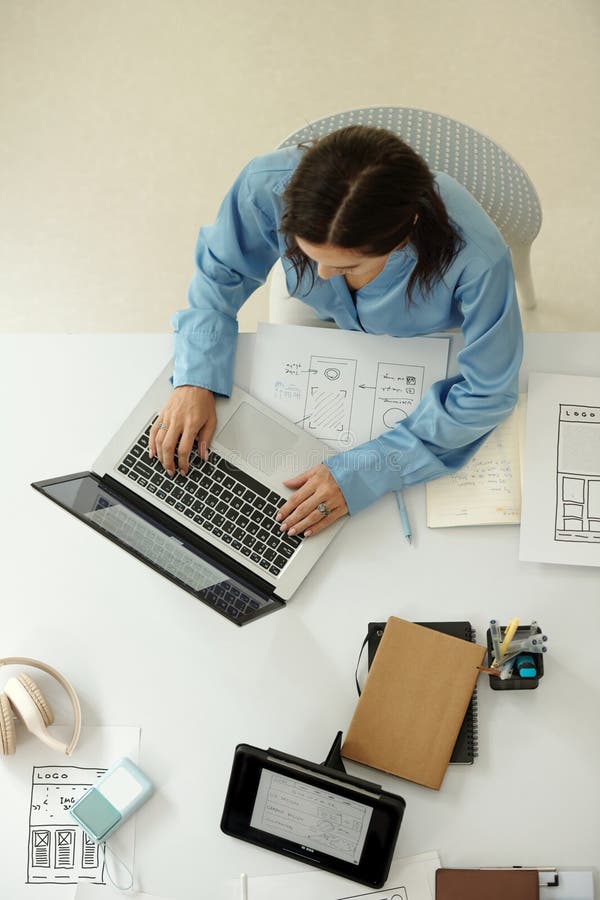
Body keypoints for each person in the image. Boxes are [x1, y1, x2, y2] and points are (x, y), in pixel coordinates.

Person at [149, 125, 522, 540]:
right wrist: (195, 376)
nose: (324, 275)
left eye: (346, 268)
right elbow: (221, 272)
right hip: (317, 322)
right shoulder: (265, 183)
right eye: (309, 255)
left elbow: (489, 392)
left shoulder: (478, 257)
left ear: (405, 231)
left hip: (423, 338)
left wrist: (368, 470)